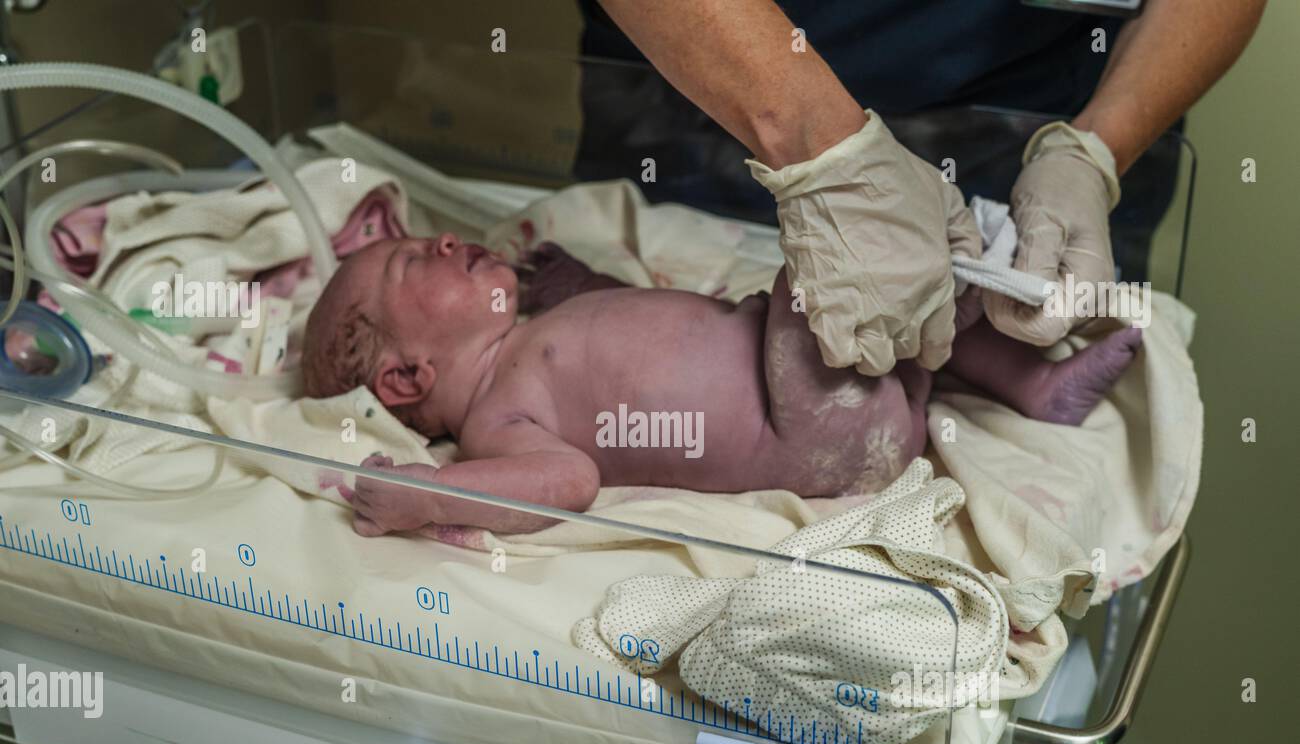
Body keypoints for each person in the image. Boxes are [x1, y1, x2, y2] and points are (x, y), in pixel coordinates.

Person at [300, 235, 1142, 537]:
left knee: (902, 316)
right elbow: (567, 483)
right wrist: (436, 495)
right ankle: (994, 351)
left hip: (823, 393)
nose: (446, 241)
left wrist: (565, 276)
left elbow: (619, 319)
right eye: (416, 261)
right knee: (835, 268)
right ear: (407, 377)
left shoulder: (533, 332)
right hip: (799, 419)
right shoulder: (498, 419)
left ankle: (1033, 382)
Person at [574, 0, 1265, 368]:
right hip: (704, 87)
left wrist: (1093, 154)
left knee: (1009, 347)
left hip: (1037, 109)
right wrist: (827, 155)